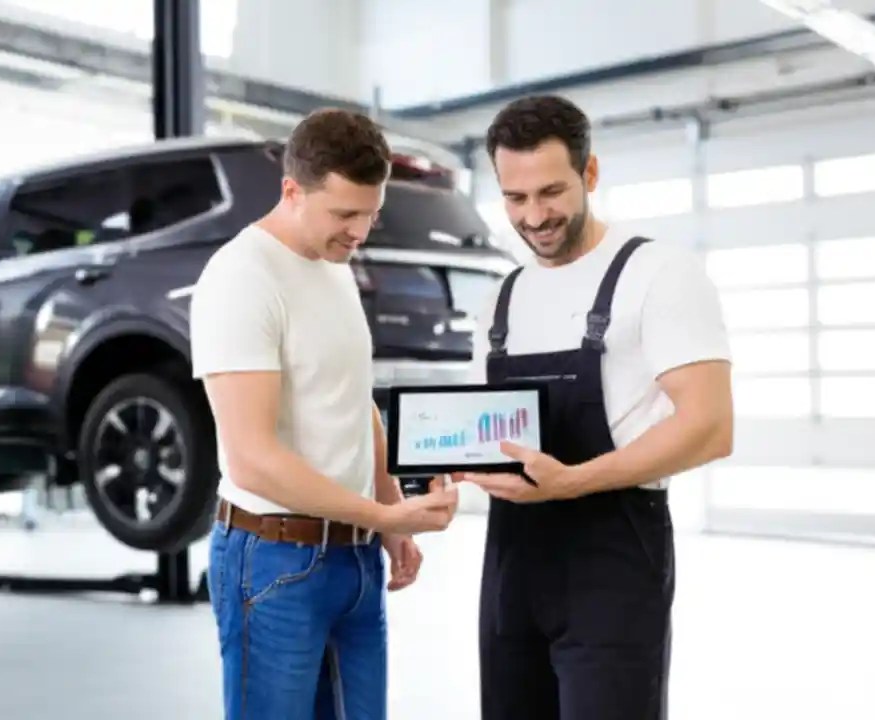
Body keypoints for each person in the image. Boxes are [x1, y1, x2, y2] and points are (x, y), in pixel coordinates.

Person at [456, 95, 735, 720]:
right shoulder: (504, 296)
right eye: (515, 198)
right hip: (511, 565)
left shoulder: (658, 273)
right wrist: (441, 473)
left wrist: (572, 482)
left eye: (551, 192)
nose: (534, 216)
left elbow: (711, 426)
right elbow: (483, 428)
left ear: (590, 174)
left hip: (611, 558)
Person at [190, 107, 461, 719]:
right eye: (345, 214)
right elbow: (253, 459)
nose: (359, 232)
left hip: (355, 560)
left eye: (370, 213)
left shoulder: (332, 265)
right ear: (292, 190)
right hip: (275, 561)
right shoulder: (242, 278)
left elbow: (351, 394)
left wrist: (391, 515)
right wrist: (379, 512)